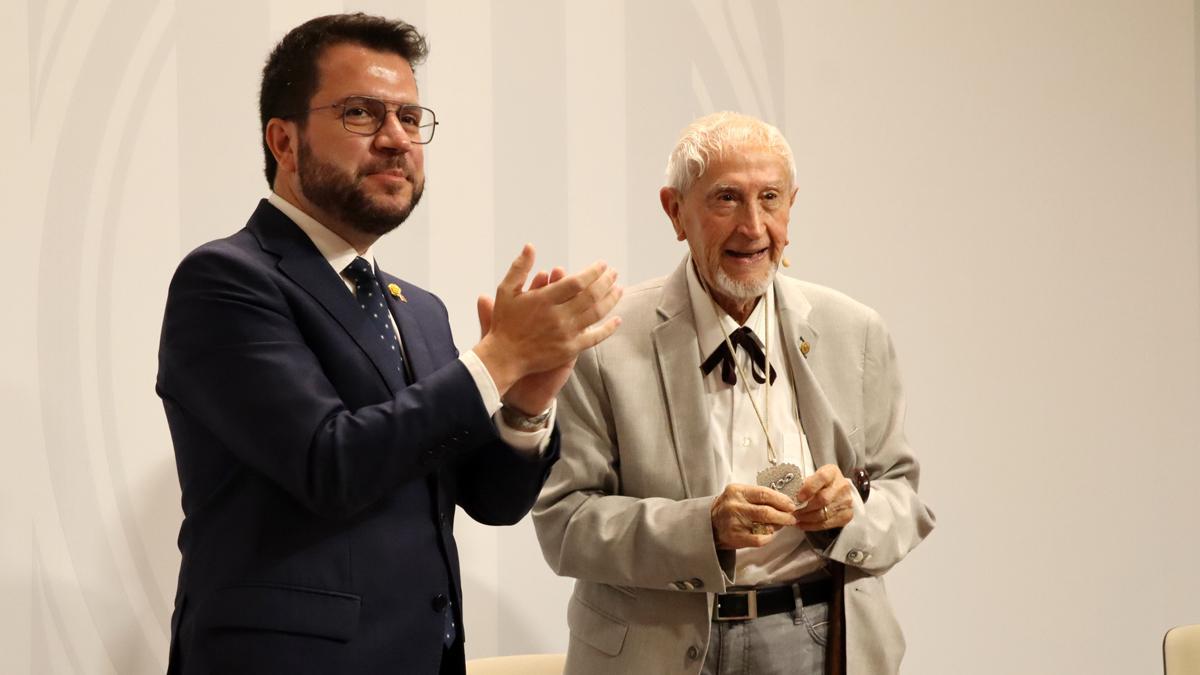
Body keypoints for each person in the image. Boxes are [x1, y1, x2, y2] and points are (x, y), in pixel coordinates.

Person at [157, 13, 621, 675]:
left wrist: (526, 402)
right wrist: (499, 358)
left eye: (410, 116)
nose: (397, 139)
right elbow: (331, 461)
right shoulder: (226, 279)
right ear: (283, 141)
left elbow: (491, 501)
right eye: (361, 114)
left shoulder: (421, 310)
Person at [533, 112, 935, 675]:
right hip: (657, 647)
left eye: (769, 198)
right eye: (726, 199)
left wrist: (850, 515)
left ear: (791, 206)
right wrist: (702, 529)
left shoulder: (856, 330)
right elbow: (566, 523)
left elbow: (903, 497)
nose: (752, 226)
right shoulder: (604, 340)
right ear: (675, 211)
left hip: (817, 635)